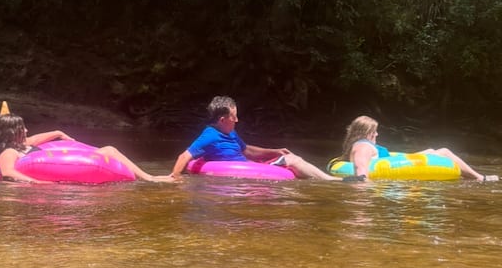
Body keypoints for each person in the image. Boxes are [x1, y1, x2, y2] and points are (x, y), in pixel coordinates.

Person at [168, 95, 339, 181]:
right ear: (222, 120)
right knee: (292, 160)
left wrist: (274, 151)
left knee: (287, 159)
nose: (237, 120)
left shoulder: (230, 133)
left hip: (247, 166)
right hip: (237, 169)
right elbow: (184, 156)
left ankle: (323, 179)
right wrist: (175, 178)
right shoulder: (210, 135)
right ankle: (330, 181)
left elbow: (248, 150)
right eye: (234, 117)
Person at [0, 111, 175, 183]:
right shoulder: (10, 151)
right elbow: (8, 172)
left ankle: (149, 177)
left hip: (58, 173)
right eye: (23, 129)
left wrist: (60, 133)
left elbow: (39, 138)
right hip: (45, 179)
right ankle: (150, 178)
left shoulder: (22, 144)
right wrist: (41, 184)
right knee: (109, 151)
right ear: (12, 133)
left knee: (109, 149)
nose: (28, 130)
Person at [341, 115, 499, 183]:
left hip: (394, 161)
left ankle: (473, 176)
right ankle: (479, 178)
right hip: (394, 166)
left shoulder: (359, 144)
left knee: (432, 151)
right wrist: (361, 201)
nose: (377, 133)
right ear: (365, 133)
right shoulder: (363, 146)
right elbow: (361, 172)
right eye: (373, 131)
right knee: (444, 151)